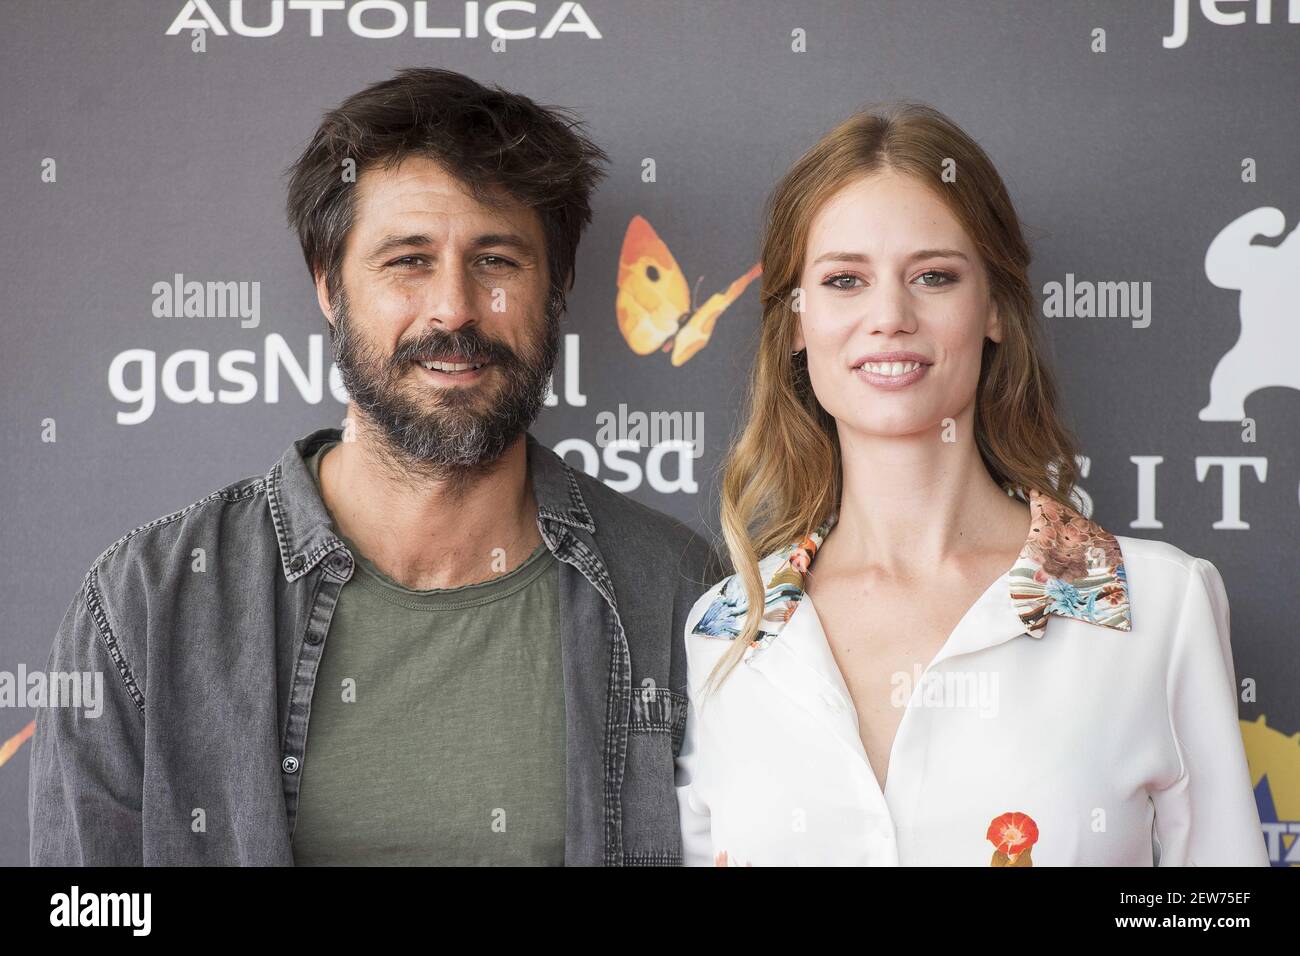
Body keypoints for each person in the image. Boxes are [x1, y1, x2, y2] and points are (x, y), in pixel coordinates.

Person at [29, 68, 722, 866]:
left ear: (558, 286)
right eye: (408, 261)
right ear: (329, 286)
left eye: (496, 260)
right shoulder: (149, 605)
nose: (454, 308)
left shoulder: (678, 598)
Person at [675, 102, 1269, 867]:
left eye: (933, 276)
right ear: (795, 321)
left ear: (992, 308)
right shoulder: (726, 631)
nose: (888, 316)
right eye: (845, 280)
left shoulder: (1158, 606)